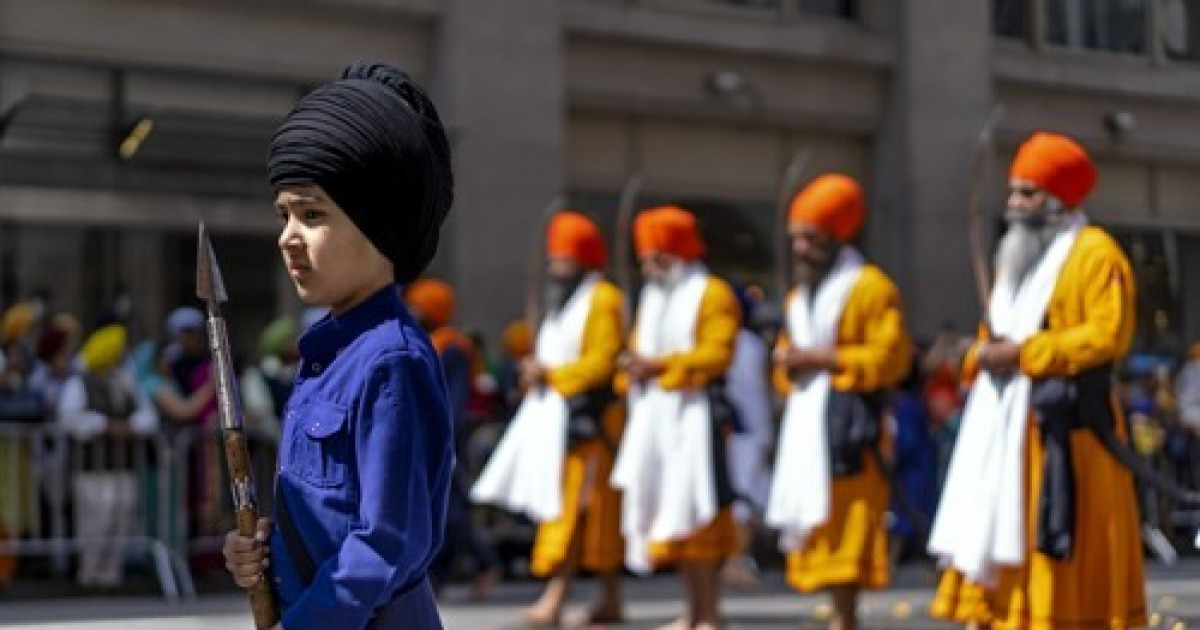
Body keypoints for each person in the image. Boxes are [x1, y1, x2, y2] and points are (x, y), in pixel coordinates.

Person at [222, 62, 455, 629]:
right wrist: (261, 551)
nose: (287, 238)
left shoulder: (390, 361)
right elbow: (330, 518)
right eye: (284, 215)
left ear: (379, 225)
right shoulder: (331, 355)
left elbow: (384, 543)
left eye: (313, 214)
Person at [929, 131, 1146, 629]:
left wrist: (1025, 354)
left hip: (1066, 437)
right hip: (1000, 437)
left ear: (1060, 199)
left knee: (1056, 564)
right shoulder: (1014, 258)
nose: (1014, 203)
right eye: (1013, 191)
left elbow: (1106, 336)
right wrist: (979, 356)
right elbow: (992, 339)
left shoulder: (1095, 254)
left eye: (1027, 193)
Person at [766, 174, 911, 630]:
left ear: (836, 237)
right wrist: (787, 363)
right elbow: (788, 364)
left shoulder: (872, 288)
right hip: (806, 428)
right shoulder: (797, 298)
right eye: (796, 239)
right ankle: (838, 617)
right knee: (820, 529)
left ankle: (845, 621)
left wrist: (822, 358)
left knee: (849, 526)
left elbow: (891, 359)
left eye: (811, 239)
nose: (801, 249)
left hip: (849, 430)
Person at [472, 211, 626, 627]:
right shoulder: (566, 305)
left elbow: (601, 362)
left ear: (583, 260)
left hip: (593, 424)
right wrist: (533, 372)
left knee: (579, 514)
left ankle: (557, 597)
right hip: (561, 424)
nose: (556, 266)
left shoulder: (604, 299)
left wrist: (551, 374)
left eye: (563, 258)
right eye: (554, 258)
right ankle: (608, 599)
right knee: (581, 512)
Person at [611, 205, 739, 630]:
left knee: (699, 518)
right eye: (644, 258)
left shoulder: (712, 293)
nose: (647, 266)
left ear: (677, 252)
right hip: (654, 421)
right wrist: (632, 367)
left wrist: (660, 367)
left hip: (696, 420)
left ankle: (711, 615)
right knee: (672, 516)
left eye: (655, 257)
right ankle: (692, 612)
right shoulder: (653, 298)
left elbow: (718, 354)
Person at [405, 278, 502, 600]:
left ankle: (483, 564)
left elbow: (455, 399)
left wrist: (442, 436)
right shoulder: (428, 342)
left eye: (420, 305)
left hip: (445, 438)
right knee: (438, 508)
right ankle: (440, 577)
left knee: (450, 508)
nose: (413, 311)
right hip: (424, 437)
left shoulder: (455, 347)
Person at [57, 325, 157, 591]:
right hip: (91, 469)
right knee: (94, 522)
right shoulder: (79, 382)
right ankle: (89, 575)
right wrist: (104, 424)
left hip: (122, 466)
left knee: (121, 518)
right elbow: (70, 418)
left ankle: (110, 576)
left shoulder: (125, 380)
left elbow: (148, 416)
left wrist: (129, 427)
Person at [722, 286, 773, 589]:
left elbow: (755, 397)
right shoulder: (749, 345)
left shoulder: (747, 346)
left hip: (743, 433)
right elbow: (758, 399)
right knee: (740, 502)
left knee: (743, 500)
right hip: (741, 432)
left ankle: (737, 559)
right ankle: (734, 560)